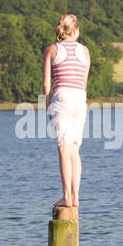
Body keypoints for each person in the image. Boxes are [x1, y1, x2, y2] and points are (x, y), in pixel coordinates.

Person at [43, 14, 91, 208]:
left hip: (62, 96)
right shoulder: (85, 51)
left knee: (63, 149)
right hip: (80, 97)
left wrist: (48, 109)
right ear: (76, 31)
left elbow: (47, 84)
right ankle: (76, 197)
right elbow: (84, 81)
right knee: (74, 149)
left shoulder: (52, 50)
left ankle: (66, 197)